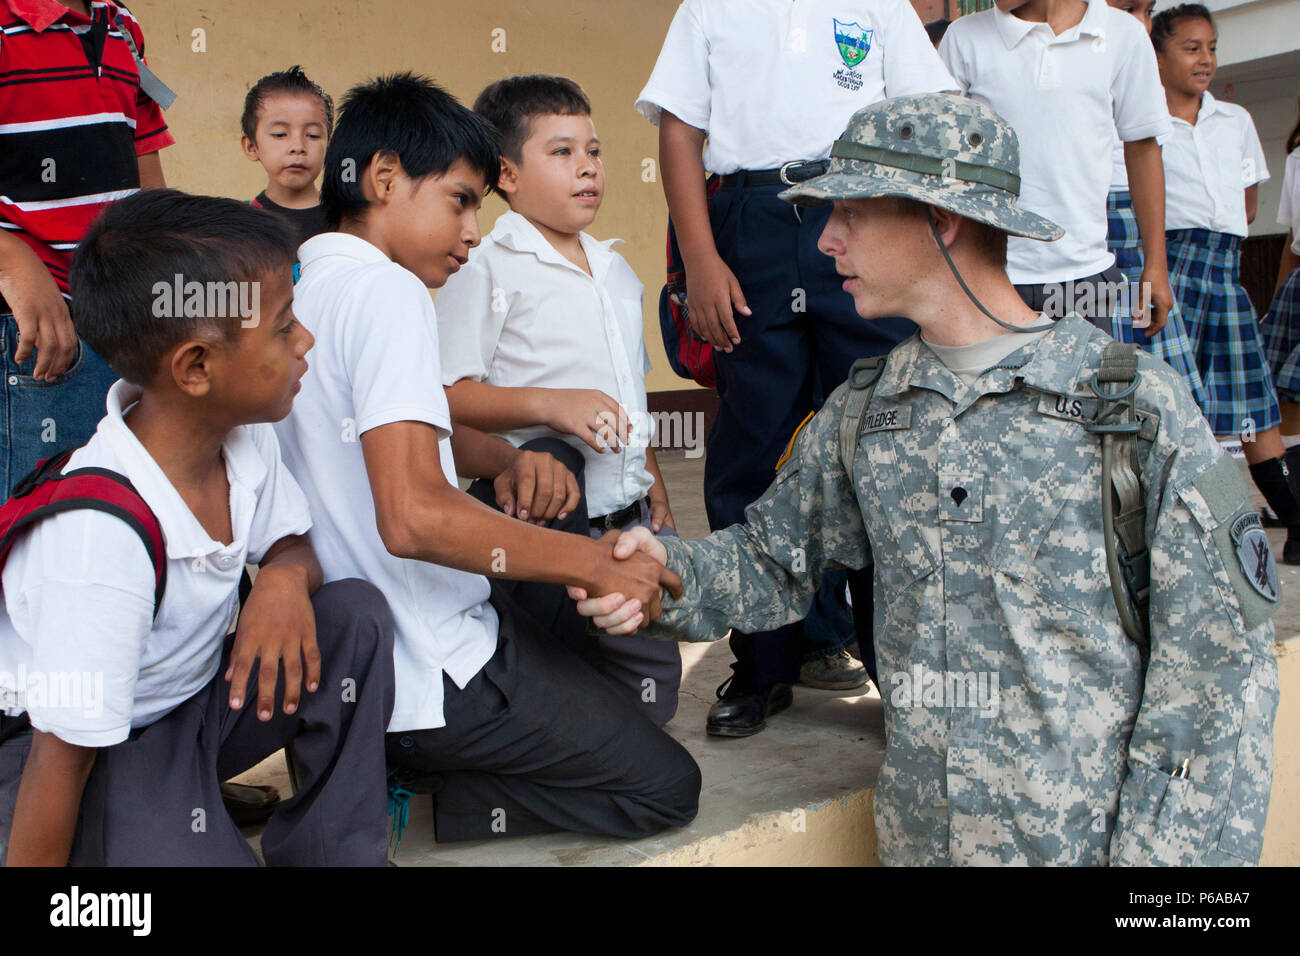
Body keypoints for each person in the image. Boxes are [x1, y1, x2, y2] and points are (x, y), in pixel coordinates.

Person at [575, 93, 1279, 866]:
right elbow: (769, 564)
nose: (827, 242)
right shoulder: (868, 408)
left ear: (942, 219)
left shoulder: (1135, 408)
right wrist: (658, 570)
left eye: (849, 212)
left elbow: (1219, 682)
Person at [275, 73, 700, 844]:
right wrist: (590, 563)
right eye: (460, 200)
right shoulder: (389, 294)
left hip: (363, 665)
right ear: (383, 179)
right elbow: (411, 518)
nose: (473, 229)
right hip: (438, 665)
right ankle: (456, 795)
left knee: (541, 477)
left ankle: (426, 764)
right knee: (667, 787)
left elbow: (396, 432)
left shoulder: (302, 285)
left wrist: (502, 462)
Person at [0, 190, 396, 866]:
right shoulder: (102, 542)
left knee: (353, 616)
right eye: (282, 327)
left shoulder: (241, 436)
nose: (305, 342)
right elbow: (57, 764)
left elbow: (294, 544)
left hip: (193, 714)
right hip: (88, 756)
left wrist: (281, 579)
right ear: (197, 368)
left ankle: (337, 852)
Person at [636, 0, 958, 738]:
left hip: (863, 207)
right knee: (753, 450)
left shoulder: (878, 6)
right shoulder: (708, 10)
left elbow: (925, 114)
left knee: (886, 441)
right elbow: (680, 134)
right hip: (748, 220)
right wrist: (701, 261)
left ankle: (897, 668)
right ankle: (764, 664)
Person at [436, 75, 682, 727]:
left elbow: (630, 390)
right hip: (543, 519)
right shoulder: (487, 268)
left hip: (628, 514)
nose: (588, 168)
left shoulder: (615, 269)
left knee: (653, 677)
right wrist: (550, 405)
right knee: (560, 662)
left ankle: (613, 748)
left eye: (594, 151)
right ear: (507, 174)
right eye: (563, 152)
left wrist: (651, 480)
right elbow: (449, 396)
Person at [0, 0, 173, 497]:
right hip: (35, 337)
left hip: (123, 326)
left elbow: (147, 180)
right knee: (34, 530)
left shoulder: (122, 26)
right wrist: (13, 262)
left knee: (110, 517)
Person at [1152, 4, 1300, 561]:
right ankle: (1198, 539)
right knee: (1179, 408)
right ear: (1159, 54)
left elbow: (1247, 201)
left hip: (1223, 268)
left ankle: (1294, 524)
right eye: (1191, 48)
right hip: (1168, 268)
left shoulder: (1234, 120)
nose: (1206, 59)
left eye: (1211, 47)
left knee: (1252, 408)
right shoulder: (1141, 121)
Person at [939, 0, 1175, 339]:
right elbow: (942, 162)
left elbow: (1143, 148)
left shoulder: (1124, 34)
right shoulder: (964, 38)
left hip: (1086, 276)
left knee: (1083, 390)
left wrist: (1156, 265)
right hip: (987, 275)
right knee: (989, 390)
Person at [1104, 0, 1209, 411]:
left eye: (1147, 10)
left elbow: (1147, 155)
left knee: (1166, 403)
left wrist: (1156, 264)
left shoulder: (1134, 58)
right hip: (1078, 232)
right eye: (1130, 8)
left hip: (1131, 223)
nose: (1141, 24)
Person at [1259, 97, 1300, 559]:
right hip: (1299, 286)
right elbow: (1292, 239)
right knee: (1286, 401)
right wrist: (1279, 301)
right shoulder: (1296, 159)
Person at [242, 65, 333, 248]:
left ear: (330, 147)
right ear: (251, 147)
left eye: (313, 135)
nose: (298, 147)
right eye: (280, 134)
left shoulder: (348, 223)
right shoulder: (244, 226)